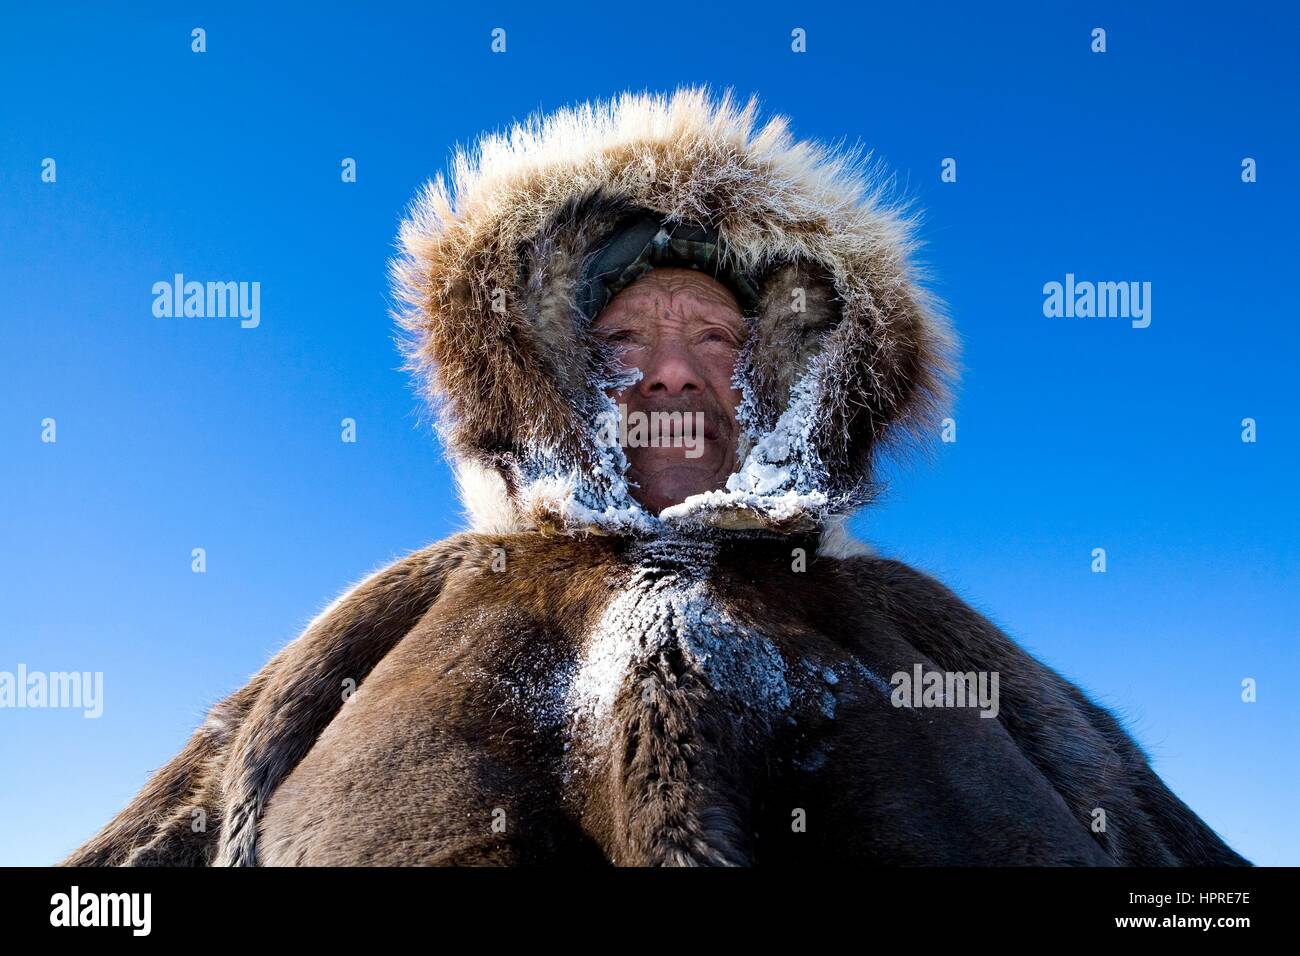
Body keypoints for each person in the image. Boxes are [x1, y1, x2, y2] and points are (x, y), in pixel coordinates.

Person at [63, 87, 1247, 866]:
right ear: (545, 372)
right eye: (622, 342)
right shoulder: (389, 619)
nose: (671, 374)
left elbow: (1187, 878)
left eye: (719, 340)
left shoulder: (937, 641)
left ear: (790, 379)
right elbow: (125, 874)